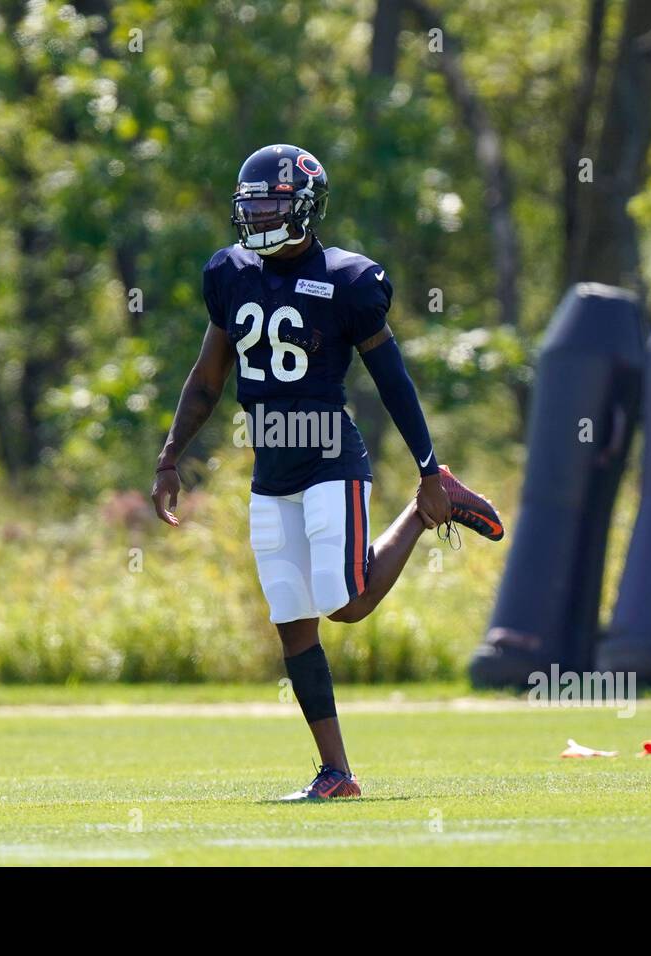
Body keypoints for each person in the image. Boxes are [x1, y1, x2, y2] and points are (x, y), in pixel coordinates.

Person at [151, 144, 504, 800]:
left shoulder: (348, 280)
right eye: (249, 206)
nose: (255, 218)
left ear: (305, 210)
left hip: (329, 458)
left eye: (269, 205)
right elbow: (207, 377)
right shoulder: (229, 273)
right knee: (292, 620)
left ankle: (435, 506)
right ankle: (338, 774)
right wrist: (170, 454)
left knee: (345, 601)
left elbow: (391, 378)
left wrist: (427, 467)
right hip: (271, 469)